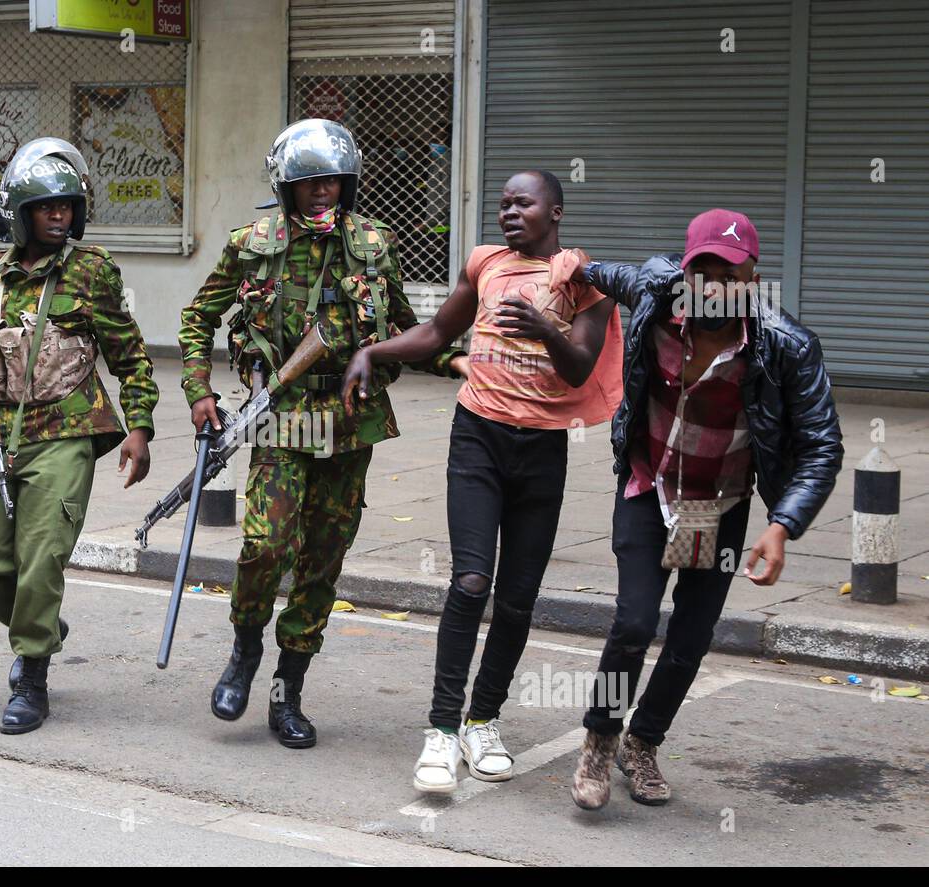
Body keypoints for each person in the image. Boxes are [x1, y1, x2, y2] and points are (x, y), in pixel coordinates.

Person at [179, 119, 467, 749]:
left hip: (347, 422)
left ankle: (289, 688)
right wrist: (199, 392)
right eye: (308, 183)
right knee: (265, 545)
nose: (322, 193)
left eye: (332, 182)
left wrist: (456, 362)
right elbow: (198, 316)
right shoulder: (251, 243)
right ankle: (246, 648)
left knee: (322, 562)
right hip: (281, 417)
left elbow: (405, 330)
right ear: (286, 187)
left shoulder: (374, 243)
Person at [343, 169, 622, 793]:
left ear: (555, 212)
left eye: (523, 203)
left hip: (543, 447)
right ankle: (441, 731)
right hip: (479, 436)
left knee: (519, 597)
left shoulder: (584, 279)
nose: (509, 213)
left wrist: (545, 327)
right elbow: (438, 334)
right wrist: (374, 352)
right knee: (471, 582)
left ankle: (482, 720)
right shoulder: (485, 265)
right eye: (503, 204)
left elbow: (579, 370)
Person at [566, 209, 843, 809]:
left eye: (730, 273)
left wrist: (783, 524)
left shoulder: (786, 345)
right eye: (703, 271)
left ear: (753, 274)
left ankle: (642, 742)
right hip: (651, 484)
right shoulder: (658, 295)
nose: (715, 285)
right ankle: (601, 737)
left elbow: (823, 445)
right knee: (635, 623)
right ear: (687, 271)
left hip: (718, 506)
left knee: (691, 636)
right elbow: (613, 274)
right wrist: (575, 266)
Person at [0, 138, 158, 735]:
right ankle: (41, 626)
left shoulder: (91, 272)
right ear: (18, 214)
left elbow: (131, 357)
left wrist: (140, 426)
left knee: (41, 558)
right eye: (46, 208)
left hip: (67, 434)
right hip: (0, 440)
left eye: (67, 206)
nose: (58, 216)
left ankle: (32, 676)